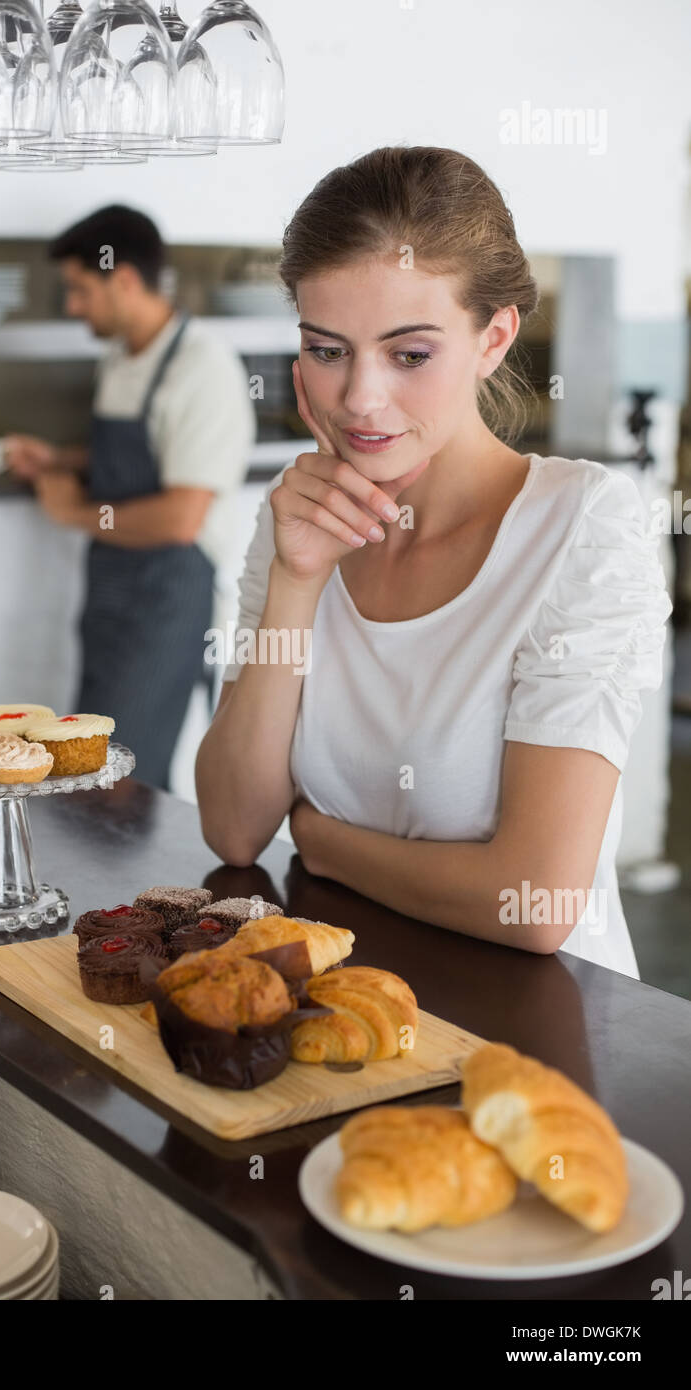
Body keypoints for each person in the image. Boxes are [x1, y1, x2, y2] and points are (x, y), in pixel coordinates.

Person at [195, 146, 673, 979]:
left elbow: (536, 903)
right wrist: (298, 583)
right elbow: (235, 826)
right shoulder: (299, 515)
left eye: (410, 355)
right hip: (347, 1013)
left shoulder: (582, 527)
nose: (359, 400)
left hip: (538, 1043)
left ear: (493, 338)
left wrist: (324, 842)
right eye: (328, 349)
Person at [5, 205, 255, 790]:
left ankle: (153, 889)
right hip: (109, 596)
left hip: (167, 606)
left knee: (125, 784)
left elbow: (182, 517)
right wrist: (60, 460)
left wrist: (68, 511)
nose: (71, 307)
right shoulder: (120, 356)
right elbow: (135, 454)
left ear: (123, 279)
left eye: (78, 290)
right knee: (82, 765)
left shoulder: (202, 367)